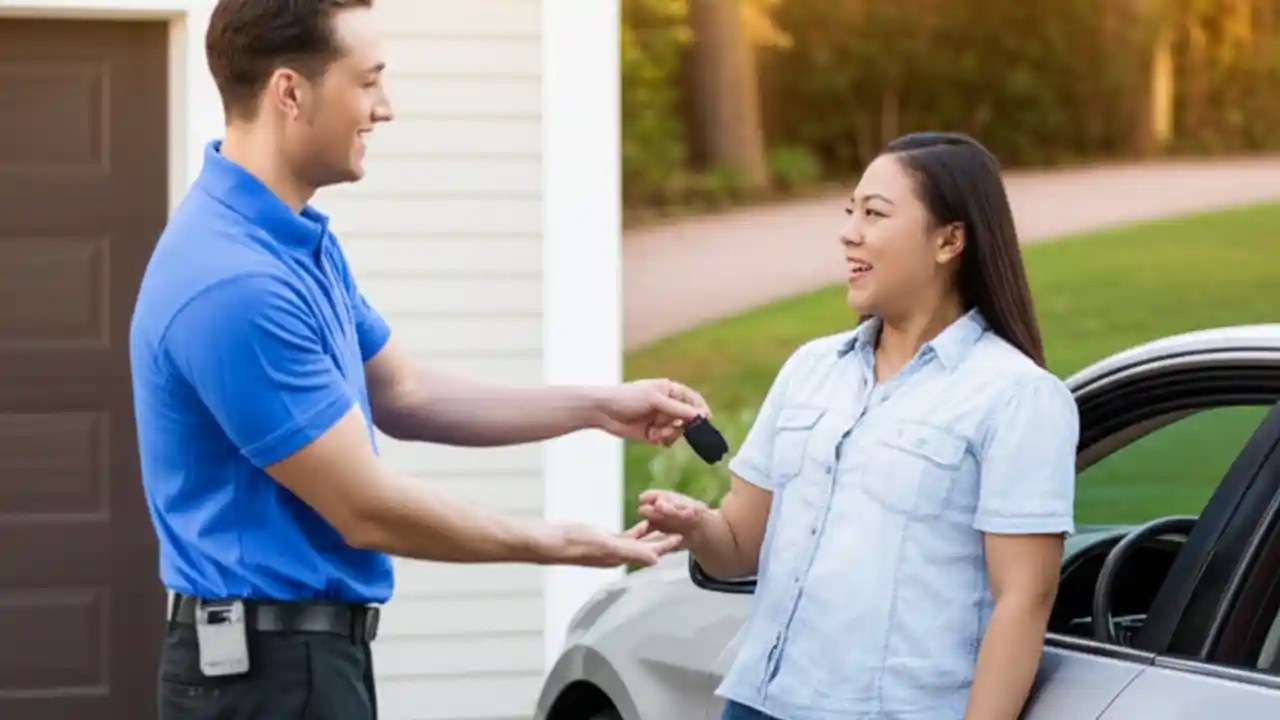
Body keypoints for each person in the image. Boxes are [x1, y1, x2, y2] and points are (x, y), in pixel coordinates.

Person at [129, 1, 701, 717]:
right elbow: (363, 508)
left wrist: (598, 406)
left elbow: (406, 391)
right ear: (290, 92)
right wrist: (555, 542)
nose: (385, 108)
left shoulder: (291, 242)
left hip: (300, 662)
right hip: (266, 680)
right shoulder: (234, 280)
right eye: (367, 82)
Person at [637, 132, 1079, 720]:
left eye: (874, 214)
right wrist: (696, 527)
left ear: (949, 239)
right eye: (851, 212)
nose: (849, 232)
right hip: (759, 703)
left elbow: (1025, 599)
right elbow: (740, 549)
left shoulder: (1017, 397)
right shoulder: (811, 370)